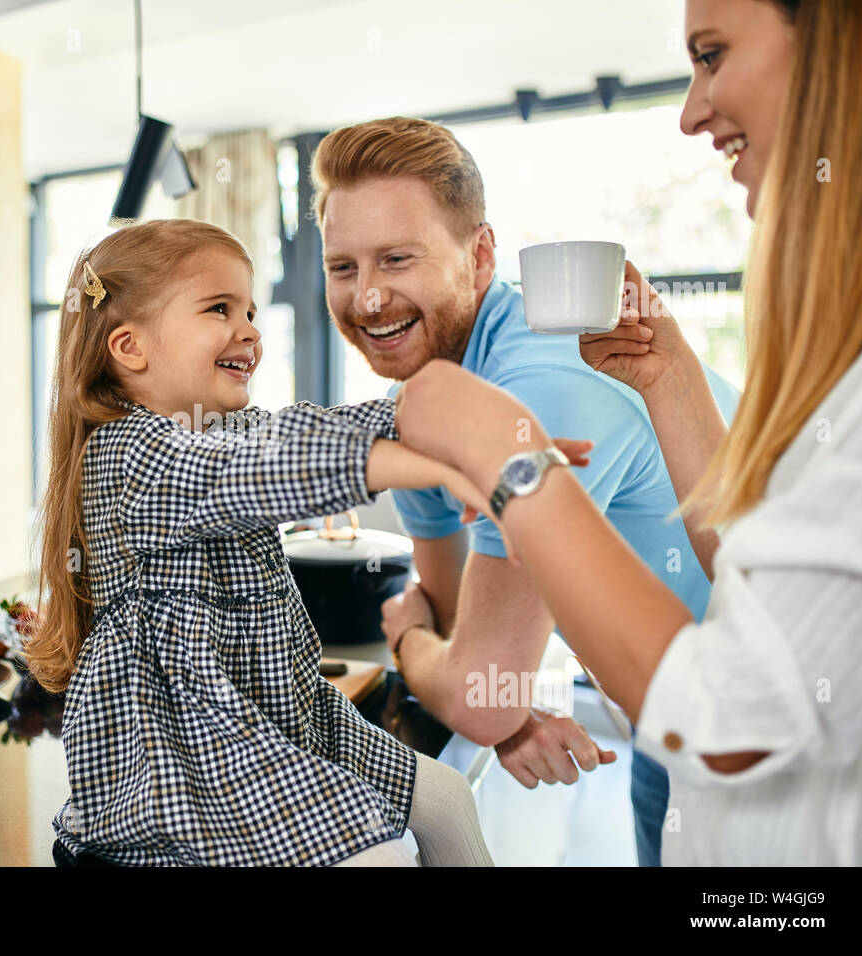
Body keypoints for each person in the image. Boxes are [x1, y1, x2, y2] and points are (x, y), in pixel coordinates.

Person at [392, 0, 862, 865]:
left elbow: (727, 719)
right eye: (341, 264)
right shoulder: (843, 338)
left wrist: (517, 466)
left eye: (714, 54)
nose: (691, 111)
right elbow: (761, 566)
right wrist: (671, 378)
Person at [29, 218, 577, 866]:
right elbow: (265, 473)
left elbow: (304, 432)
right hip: (180, 759)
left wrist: (451, 429)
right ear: (130, 347)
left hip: (276, 715)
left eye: (252, 311)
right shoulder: (128, 456)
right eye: (219, 308)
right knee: (380, 854)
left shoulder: (229, 429)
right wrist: (450, 466)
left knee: (448, 797)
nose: (251, 330)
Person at [312, 116, 740, 866]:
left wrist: (412, 641)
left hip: (757, 730)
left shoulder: (540, 379)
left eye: (397, 259)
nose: (368, 299)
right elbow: (461, 625)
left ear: (479, 257)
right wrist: (488, 696)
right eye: (342, 267)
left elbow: (469, 675)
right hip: (667, 722)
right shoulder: (430, 397)